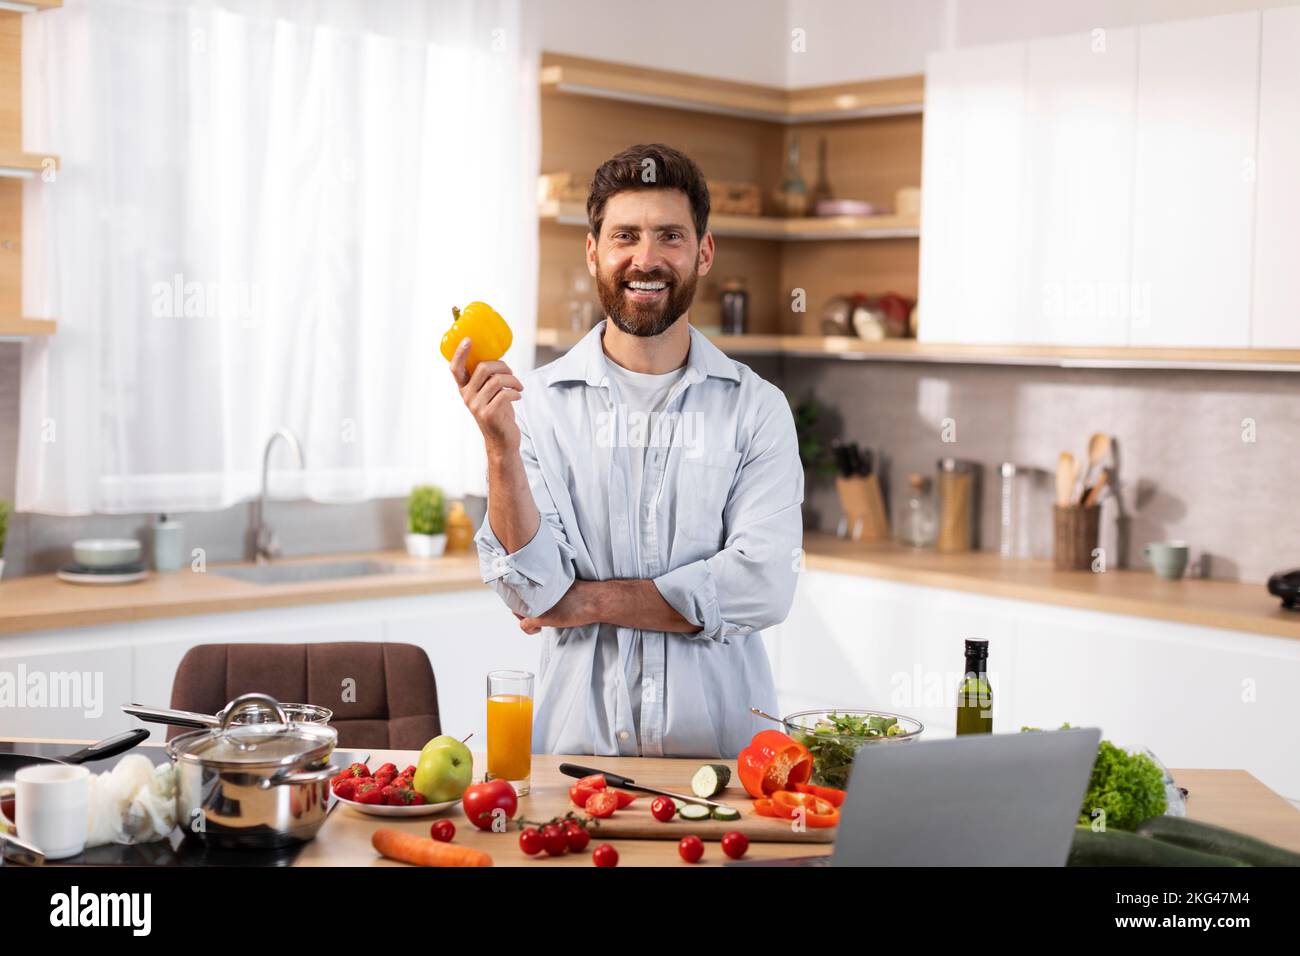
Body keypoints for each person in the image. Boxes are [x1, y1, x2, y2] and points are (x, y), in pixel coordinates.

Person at [451, 143, 803, 758]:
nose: (647, 259)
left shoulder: (757, 408)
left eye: (670, 235)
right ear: (594, 253)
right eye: (625, 236)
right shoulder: (535, 406)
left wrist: (583, 600)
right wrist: (501, 449)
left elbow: (763, 585)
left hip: (725, 764)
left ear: (704, 252)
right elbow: (532, 593)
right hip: (575, 759)